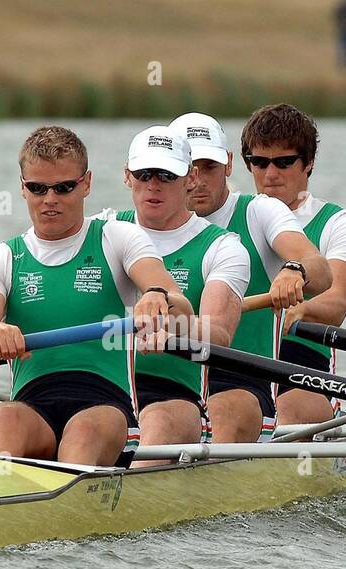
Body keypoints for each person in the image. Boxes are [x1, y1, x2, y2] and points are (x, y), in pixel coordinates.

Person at [0, 126, 193, 467]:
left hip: (105, 407)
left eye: (64, 187)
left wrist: (157, 297)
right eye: (37, 188)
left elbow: (180, 306)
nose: (50, 199)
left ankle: (60, 498)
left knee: (83, 432)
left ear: (86, 184)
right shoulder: (0, 257)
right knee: (5, 418)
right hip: (32, 408)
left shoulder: (117, 238)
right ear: (22, 188)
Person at [169, 112, 332, 444]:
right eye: (188, 170)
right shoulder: (134, 226)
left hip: (240, 385)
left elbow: (319, 267)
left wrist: (295, 270)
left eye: (209, 168)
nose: (197, 181)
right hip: (168, 382)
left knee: (226, 411)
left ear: (229, 165)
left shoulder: (260, 212)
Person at [95, 126, 250, 461]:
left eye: (166, 175)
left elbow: (218, 334)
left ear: (190, 179)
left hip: (174, 397)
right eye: (144, 173)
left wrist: (172, 329)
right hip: (101, 389)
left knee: (160, 422)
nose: (153, 184)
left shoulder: (222, 247)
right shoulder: (99, 231)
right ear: (127, 177)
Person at [239, 104, 346, 428]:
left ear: (308, 163)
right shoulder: (229, 219)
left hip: (300, 361)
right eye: (260, 162)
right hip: (238, 357)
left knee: (292, 407)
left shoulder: (336, 225)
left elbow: (337, 304)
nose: (270, 175)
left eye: (284, 162)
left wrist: (301, 311)